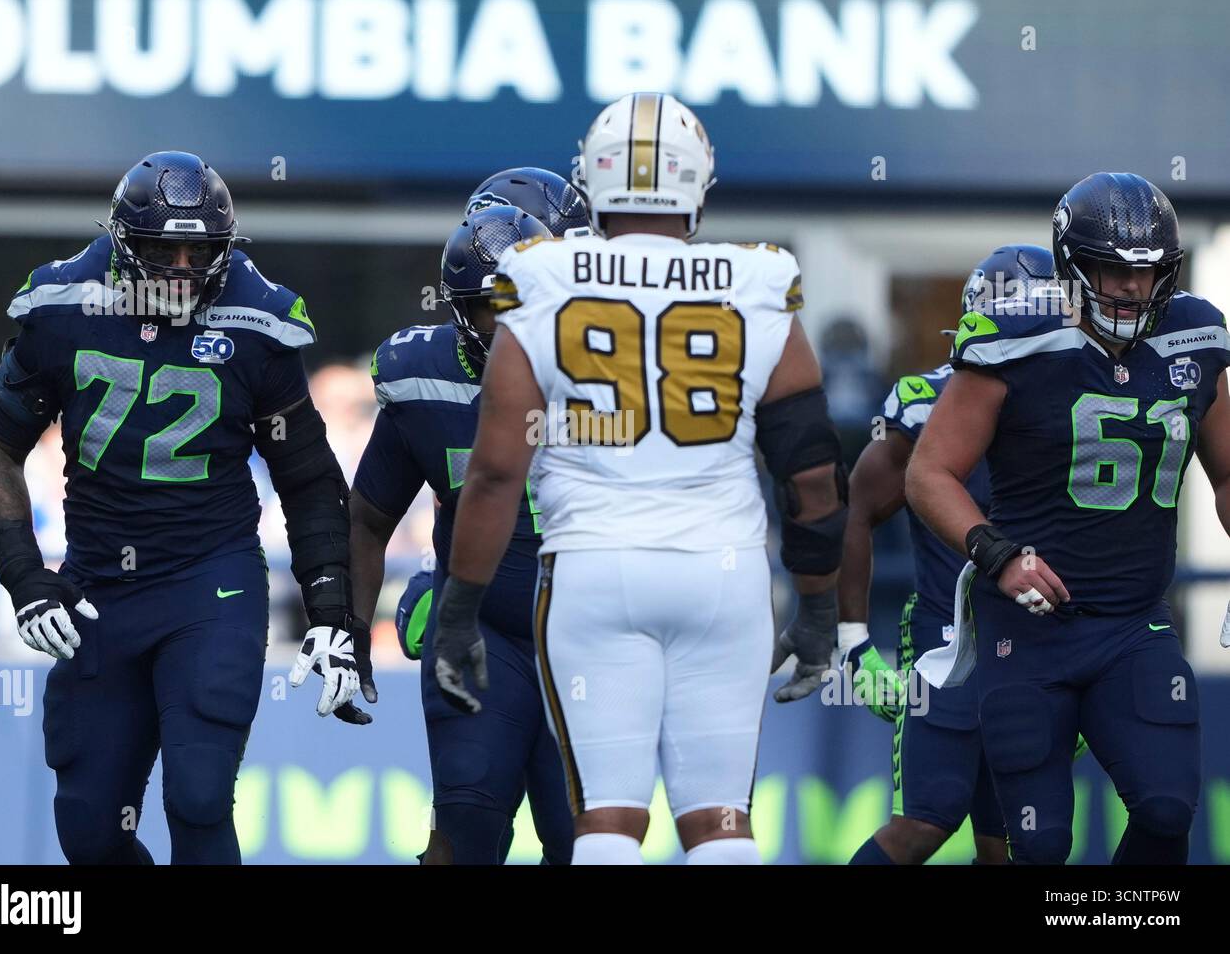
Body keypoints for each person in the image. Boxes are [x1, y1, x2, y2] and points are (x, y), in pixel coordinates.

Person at [430, 92, 846, 865]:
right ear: (699, 183)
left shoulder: (541, 274)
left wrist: (461, 609)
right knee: (722, 824)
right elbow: (812, 473)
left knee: (609, 822)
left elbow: (494, 472)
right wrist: (819, 605)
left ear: (592, 179)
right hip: (723, 572)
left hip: (594, 566)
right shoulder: (755, 281)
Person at [0, 151, 362, 864]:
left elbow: (306, 476)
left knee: (200, 794)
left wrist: (333, 611)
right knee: (89, 828)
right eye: (163, 249)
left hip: (210, 583)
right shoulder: (64, 306)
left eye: (199, 251)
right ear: (124, 246)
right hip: (98, 586)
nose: (182, 268)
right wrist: (25, 578)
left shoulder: (257, 320)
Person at [906, 173, 1230, 864]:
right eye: (1112, 270)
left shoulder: (1195, 336)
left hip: (1134, 623)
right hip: (1028, 627)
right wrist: (997, 556)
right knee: (1040, 843)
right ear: (1070, 265)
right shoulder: (1015, 338)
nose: (1131, 289)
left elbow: (1228, 471)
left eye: (1147, 273)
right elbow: (928, 472)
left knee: (1169, 808)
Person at [349, 200, 576, 864]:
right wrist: (351, 627)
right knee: (466, 831)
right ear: (457, 309)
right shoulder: (423, 376)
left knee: (585, 845)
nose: (509, 325)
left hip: (588, 633)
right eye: (490, 307)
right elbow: (367, 516)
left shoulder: (605, 371)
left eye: (523, 304)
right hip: (483, 632)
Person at [843, 245, 1061, 865]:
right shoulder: (924, 400)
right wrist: (852, 645)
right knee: (924, 822)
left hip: (1040, 650)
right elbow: (854, 510)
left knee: (1012, 846)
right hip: (950, 647)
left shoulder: (1085, 400)